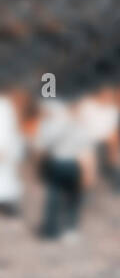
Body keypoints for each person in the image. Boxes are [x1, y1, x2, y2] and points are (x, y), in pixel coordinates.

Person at [34, 98, 88, 241]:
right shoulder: (78, 124)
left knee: (54, 196)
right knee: (73, 197)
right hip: (74, 162)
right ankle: (70, 229)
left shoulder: (52, 123)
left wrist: (38, 165)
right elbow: (85, 147)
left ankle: (51, 230)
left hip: (57, 161)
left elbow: (43, 145)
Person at [0, 89, 24, 216]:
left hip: (6, 148)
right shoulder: (5, 106)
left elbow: (7, 129)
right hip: (6, 147)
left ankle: (8, 204)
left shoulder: (5, 106)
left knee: (7, 177)